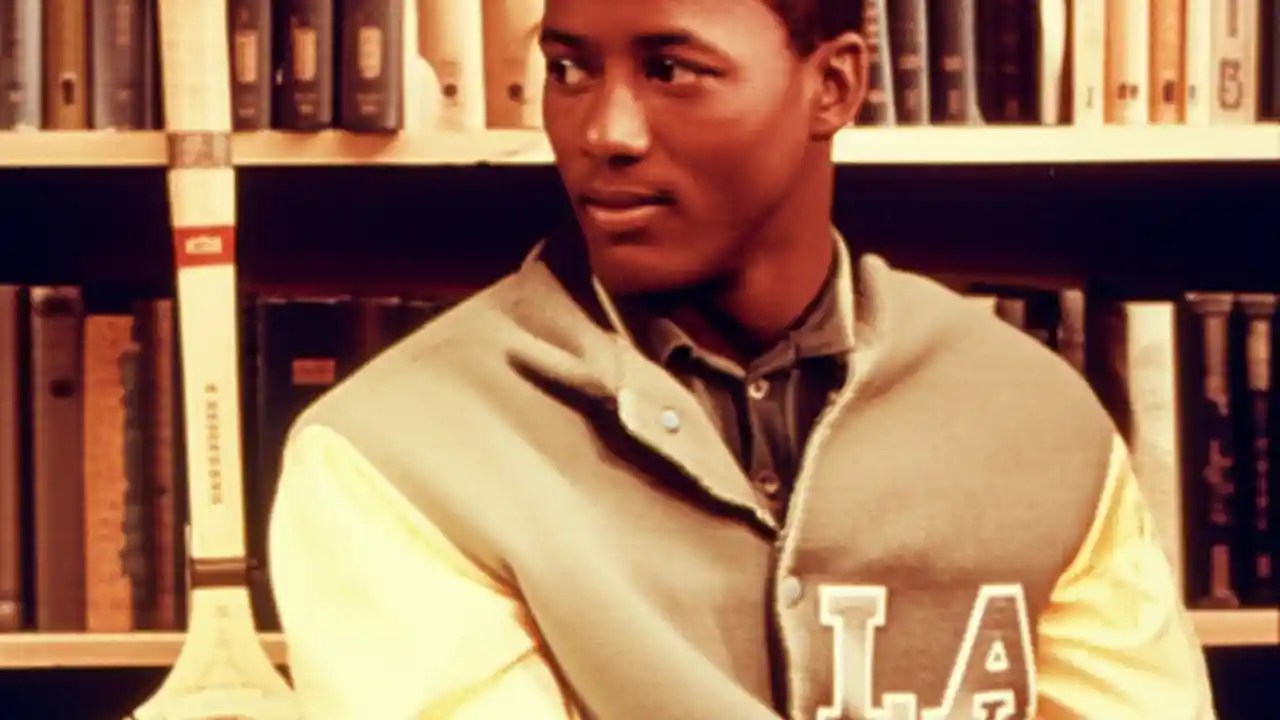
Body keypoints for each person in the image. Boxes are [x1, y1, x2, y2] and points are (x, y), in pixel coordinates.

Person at [266, 0, 1218, 718]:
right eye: (568, 69)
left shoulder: (1034, 415)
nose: (606, 132)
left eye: (672, 69)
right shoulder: (394, 451)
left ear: (834, 85)